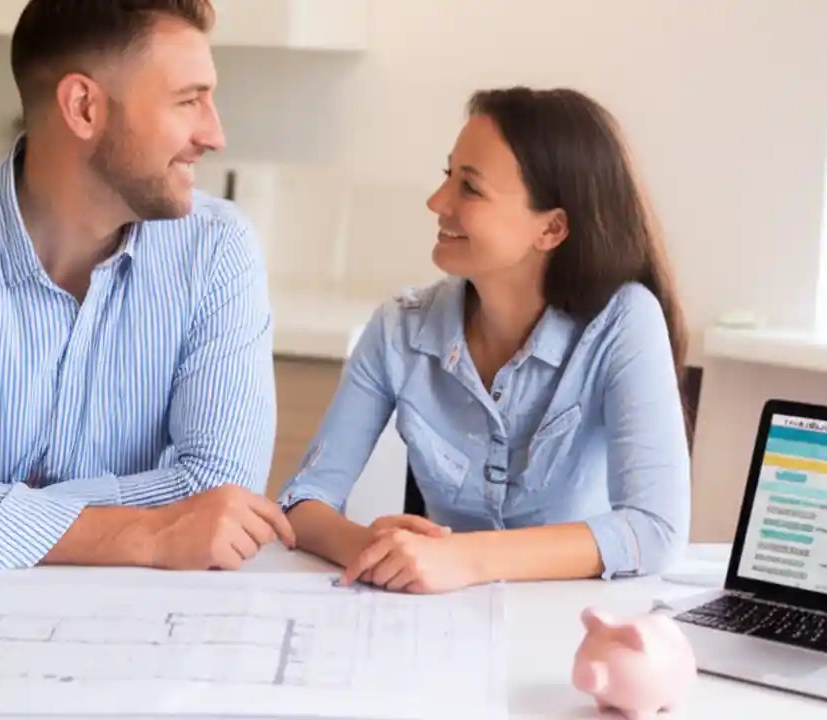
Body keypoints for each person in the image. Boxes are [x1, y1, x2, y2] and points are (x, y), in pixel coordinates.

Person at [0, 0, 294, 571]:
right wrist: (148, 535)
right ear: (83, 107)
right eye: (189, 100)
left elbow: (224, 492)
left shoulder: (218, 250)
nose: (215, 133)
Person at [278, 87, 692, 593]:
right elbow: (302, 502)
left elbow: (654, 529)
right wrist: (372, 547)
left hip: (575, 628)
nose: (437, 202)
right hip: (441, 623)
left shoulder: (623, 321)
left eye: (469, 188)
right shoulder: (398, 328)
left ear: (552, 228)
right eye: (447, 176)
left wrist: (465, 559)